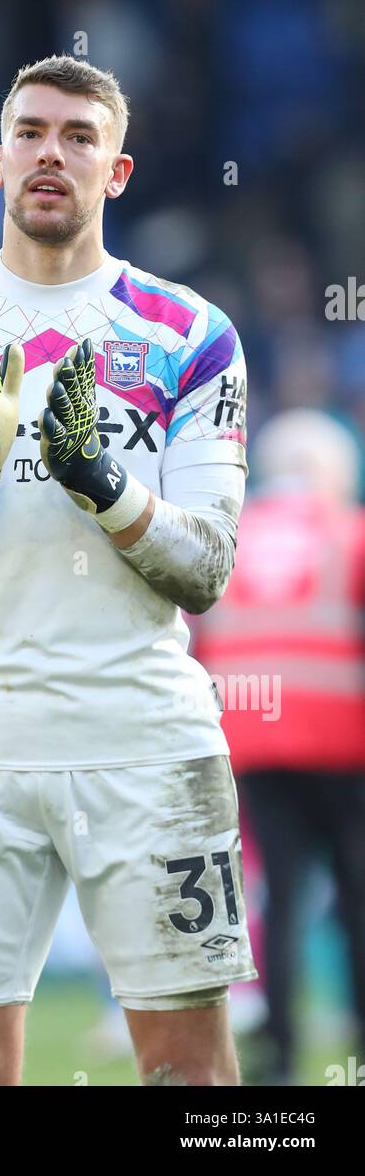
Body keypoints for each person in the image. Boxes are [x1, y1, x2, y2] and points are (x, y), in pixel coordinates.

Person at [0, 55, 257, 1086]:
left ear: (115, 171)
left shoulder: (190, 336)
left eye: (79, 137)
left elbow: (205, 568)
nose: (50, 153)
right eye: (29, 132)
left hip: (145, 739)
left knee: (187, 1075)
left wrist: (101, 484)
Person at [193, 409, 365, 1084]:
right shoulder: (349, 533)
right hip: (344, 741)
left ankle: (281, 1055)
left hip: (251, 741)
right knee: (355, 896)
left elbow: (197, 644)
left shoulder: (228, 541)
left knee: (281, 896)